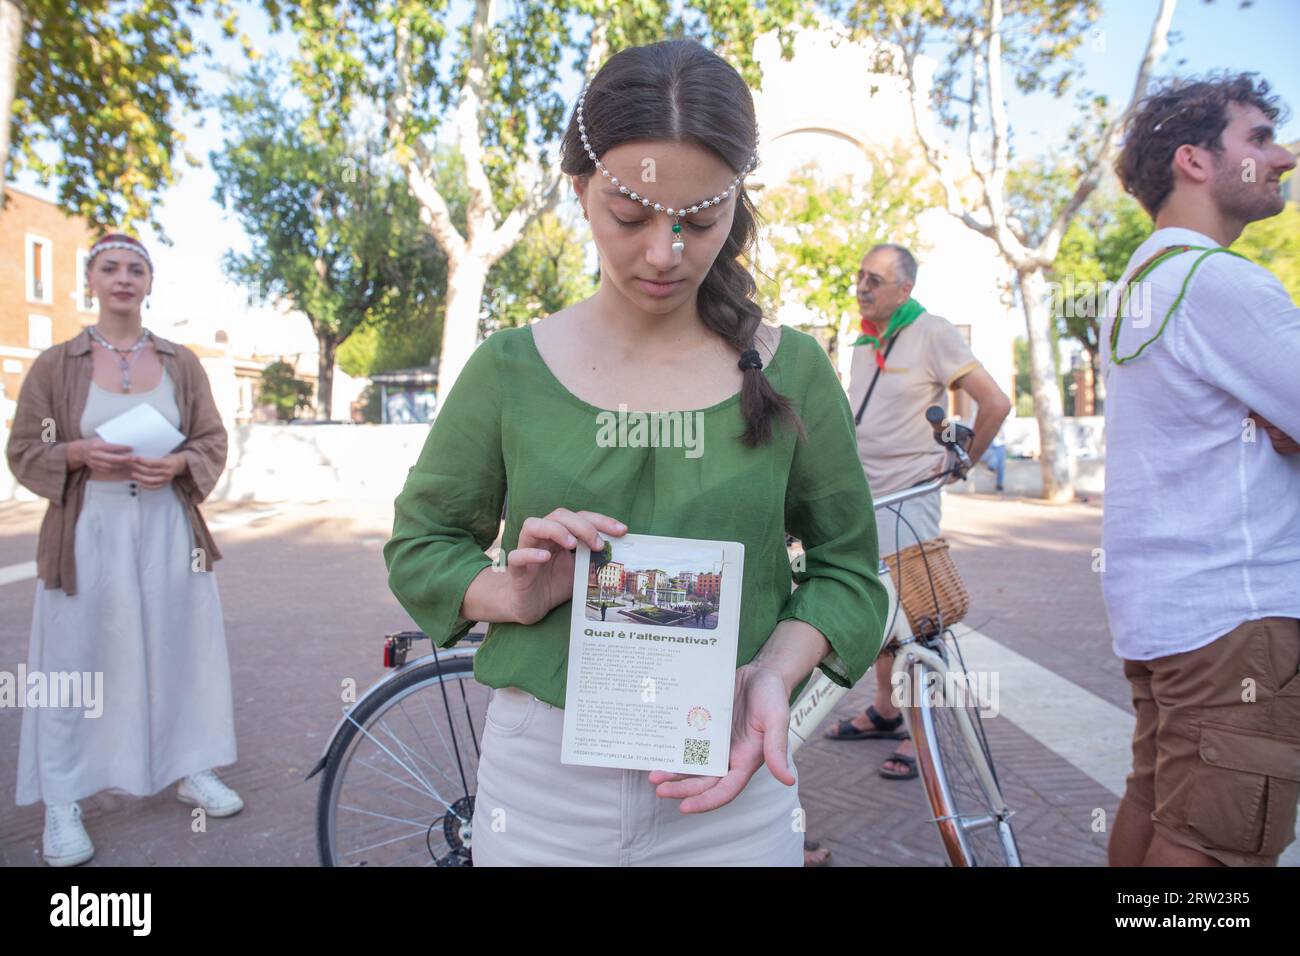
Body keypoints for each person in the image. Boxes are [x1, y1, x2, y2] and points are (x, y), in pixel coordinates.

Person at [384, 39, 890, 867]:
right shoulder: (508, 369)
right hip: (541, 783)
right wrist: (513, 594)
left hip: (731, 778)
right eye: (631, 217)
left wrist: (773, 673)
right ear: (580, 188)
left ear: (737, 203)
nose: (665, 254)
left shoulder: (792, 368)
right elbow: (421, 545)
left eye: (700, 221)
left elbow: (848, 573)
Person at [1102, 74, 1300, 867]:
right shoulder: (1218, 281)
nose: (1282, 156)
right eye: (1257, 139)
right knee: (1218, 845)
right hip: (1237, 616)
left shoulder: (1140, 286)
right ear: (1193, 160)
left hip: (1168, 615)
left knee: (1156, 802)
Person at [6, 233, 241, 867]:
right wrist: (78, 454)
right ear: (90, 280)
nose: (123, 277)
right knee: (73, 663)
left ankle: (193, 766)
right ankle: (62, 800)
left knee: (180, 648)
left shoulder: (180, 361)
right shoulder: (57, 363)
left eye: (136, 268)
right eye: (109, 267)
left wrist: (179, 464)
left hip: (168, 527)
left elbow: (213, 440)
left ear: (149, 282)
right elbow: (24, 450)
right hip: (88, 531)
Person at [812, 243, 1010, 864]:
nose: (862, 287)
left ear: (904, 287)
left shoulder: (932, 331)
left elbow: (994, 402)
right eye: (860, 277)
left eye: (875, 280)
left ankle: (925, 748)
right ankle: (883, 712)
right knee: (880, 611)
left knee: (918, 620)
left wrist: (959, 465)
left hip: (908, 499)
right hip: (860, 497)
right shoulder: (860, 342)